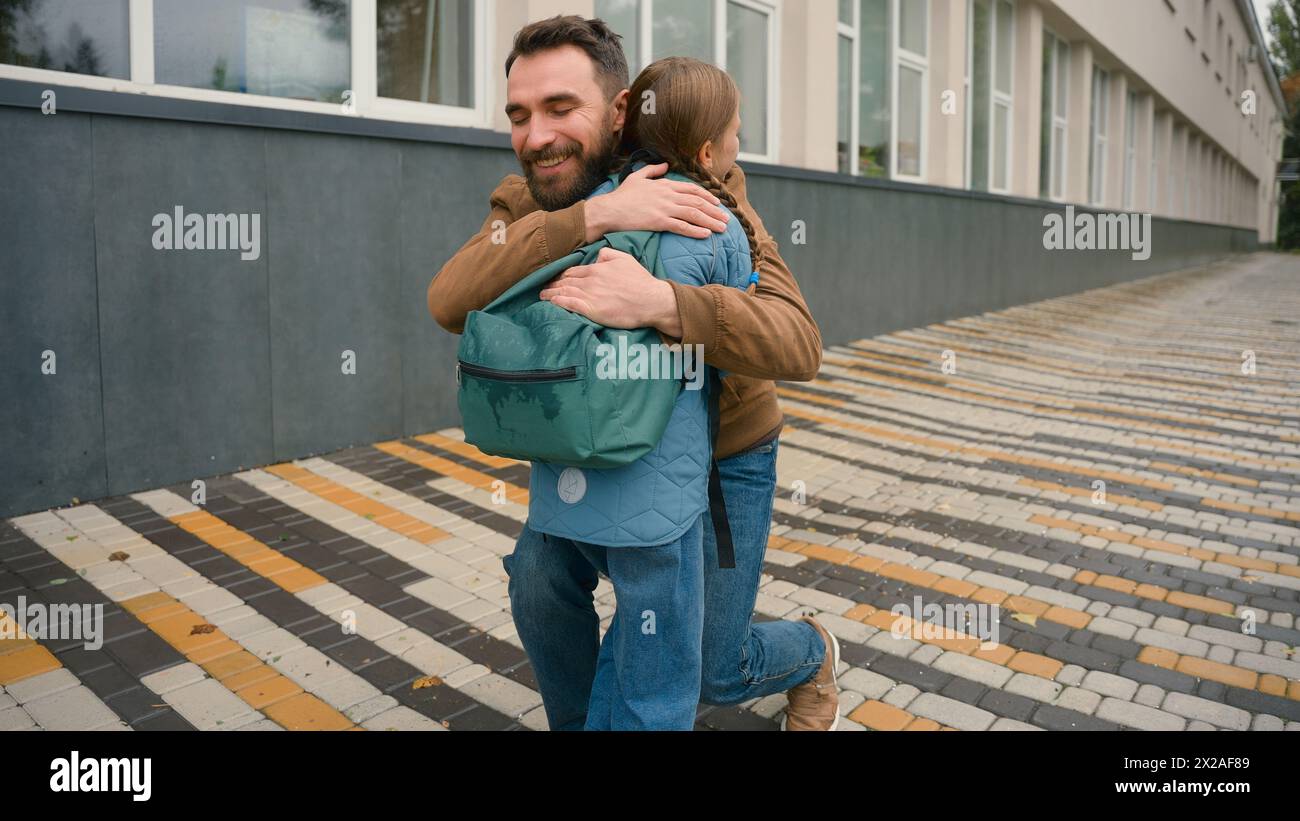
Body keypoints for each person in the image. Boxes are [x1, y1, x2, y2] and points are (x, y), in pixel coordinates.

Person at [428, 16, 839, 730]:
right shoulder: (534, 195)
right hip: (590, 440)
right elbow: (449, 296)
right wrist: (593, 216)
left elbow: (798, 340)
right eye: (519, 115)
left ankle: (811, 650)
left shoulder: (705, 181)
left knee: (715, 665)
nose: (537, 136)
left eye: (560, 107)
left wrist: (664, 303)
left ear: (620, 111)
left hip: (718, 454)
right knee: (535, 580)